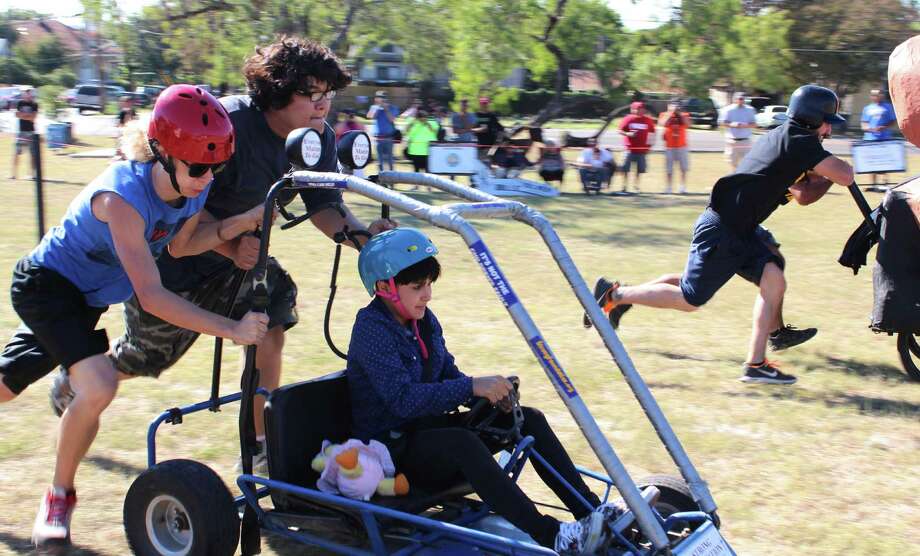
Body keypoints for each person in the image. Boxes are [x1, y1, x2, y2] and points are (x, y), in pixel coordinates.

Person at [49, 37, 395, 471]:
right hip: (170, 268)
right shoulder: (224, 123)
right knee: (149, 357)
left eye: (328, 93)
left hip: (241, 262)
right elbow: (182, 214)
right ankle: (81, 376)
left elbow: (324, 206)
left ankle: (261, 446)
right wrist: (231, 244)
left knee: (271, 323)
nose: (322, 104)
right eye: (311, 93)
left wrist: (365, 238)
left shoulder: (317, 138)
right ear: (278, 88)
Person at [0, 84, 271, 549]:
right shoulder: (120, 198)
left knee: (6, 385)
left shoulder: (191, 189)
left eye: (217, 167)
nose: (208, 178)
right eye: (199, 167)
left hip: (84, 299)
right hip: (47, 287)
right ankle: (58, 499)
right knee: (100, 384)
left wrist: (234, 234)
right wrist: (232, 329)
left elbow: (182, 244)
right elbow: (151, 296)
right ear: (163, 153)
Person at [347, 228, 622, 554]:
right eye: (417, 287)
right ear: (383, 288)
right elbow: (403, 400)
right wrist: (471, 386)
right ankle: (553, 536)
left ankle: (590, 512)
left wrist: (487, 396)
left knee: (528, 418)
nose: (428, 294)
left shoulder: (424, 321)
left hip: (430, 433)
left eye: (429, 284)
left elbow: (446, 373)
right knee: (461, 443)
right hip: (390, 449)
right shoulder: (371, 329)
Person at [586, 84, 855, 385]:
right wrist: (831, 173)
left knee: (773, 275)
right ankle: (615, 295)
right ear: (811, 117)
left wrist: (824, 177)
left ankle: (757, 363)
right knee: (690, 299)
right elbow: (845, 174)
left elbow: (803, 195)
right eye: (828, 121)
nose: (830, 127)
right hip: (724, 229)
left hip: (740, 229)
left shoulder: (787, 139)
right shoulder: (800, 142)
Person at [860, 89, 898, 188]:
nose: (876, 96)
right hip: (870, 139)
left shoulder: (888, 107)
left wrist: (883, 127)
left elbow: (893, 121)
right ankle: (873, 184)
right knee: (872, 162)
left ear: (882, 95)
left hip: (884, 138)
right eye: (873, 95)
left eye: (878, 94)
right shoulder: (867, 108)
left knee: (884, 161)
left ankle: (885, 183)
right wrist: (867, 128)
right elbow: (864, 123)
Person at [618, 101, 655, 193]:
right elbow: (619, 130)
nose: (641, 111)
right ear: (633, 109)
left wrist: (649, 146)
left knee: (639, 169)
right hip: (629, 149)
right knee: (625, 168)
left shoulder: (648, 120)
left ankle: (636, 186)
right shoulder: (628, 119)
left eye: (642, 109)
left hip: (642, 150)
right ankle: (624, 186)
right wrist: (628, 133)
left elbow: (653, 133)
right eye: (638, 109)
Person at [658, 101, 691, 194]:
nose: (675, 108)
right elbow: (662, 123)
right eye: (672, 106)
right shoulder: (664, 114)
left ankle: (682, 187)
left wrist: (679, 113)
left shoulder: (684, 115)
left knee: (683, 168)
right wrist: (670, 113)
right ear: (668, 106)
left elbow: (688, 124)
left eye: (676, 106)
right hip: (669, 147)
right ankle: (668, 187)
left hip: (682, 146)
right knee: (669, 168)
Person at [719, 92, 757, 169]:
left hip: (745, 141)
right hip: (732, 141)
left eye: (743, 99)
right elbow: (721, 122)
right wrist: (732, 124)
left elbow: (754, 124)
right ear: (735, 99)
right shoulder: (727, 109)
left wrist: (745, 125)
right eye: (740, 98)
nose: (741, 100)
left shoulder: (750, 110)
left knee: (747, 163)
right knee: (733, 164)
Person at [367, 90, 400, 172]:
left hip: (389, 138)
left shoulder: (392, 108)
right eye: (378, 97)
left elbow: (392, 119)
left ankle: (392, 179)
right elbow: (370, 116)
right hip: (378, 138)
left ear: (386, 99)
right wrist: (377, 107)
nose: (381, 100)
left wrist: (386, 109)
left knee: (390, 160)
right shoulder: (374, 107)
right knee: (379, 161)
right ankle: (381, 179)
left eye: (382, 98)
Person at [11, 87, 38, 180]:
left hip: (31, 131)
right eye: (26, 93)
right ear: (24, 94)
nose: (28, 95)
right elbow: (16, 114)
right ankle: (13, 174)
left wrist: (23, 116)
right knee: (17, 153)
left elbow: (33, 117)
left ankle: (32, 175)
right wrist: (27, 116)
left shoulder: (34, 104)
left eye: (29, 93)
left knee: (33, 154)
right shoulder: (20, 103)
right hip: (21, 132)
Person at [404, 108, 440, 172]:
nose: (422, 119)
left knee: (427, 171)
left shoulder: (432, 122)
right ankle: (418, 181)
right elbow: (406, 131)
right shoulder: (413, 123)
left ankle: (427, 182)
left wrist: (426, 123)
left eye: (424, 117)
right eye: (421, 117)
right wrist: (413, 122)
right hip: (415, 152)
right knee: (416, 170)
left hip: (427, 152)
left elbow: (434, 130)